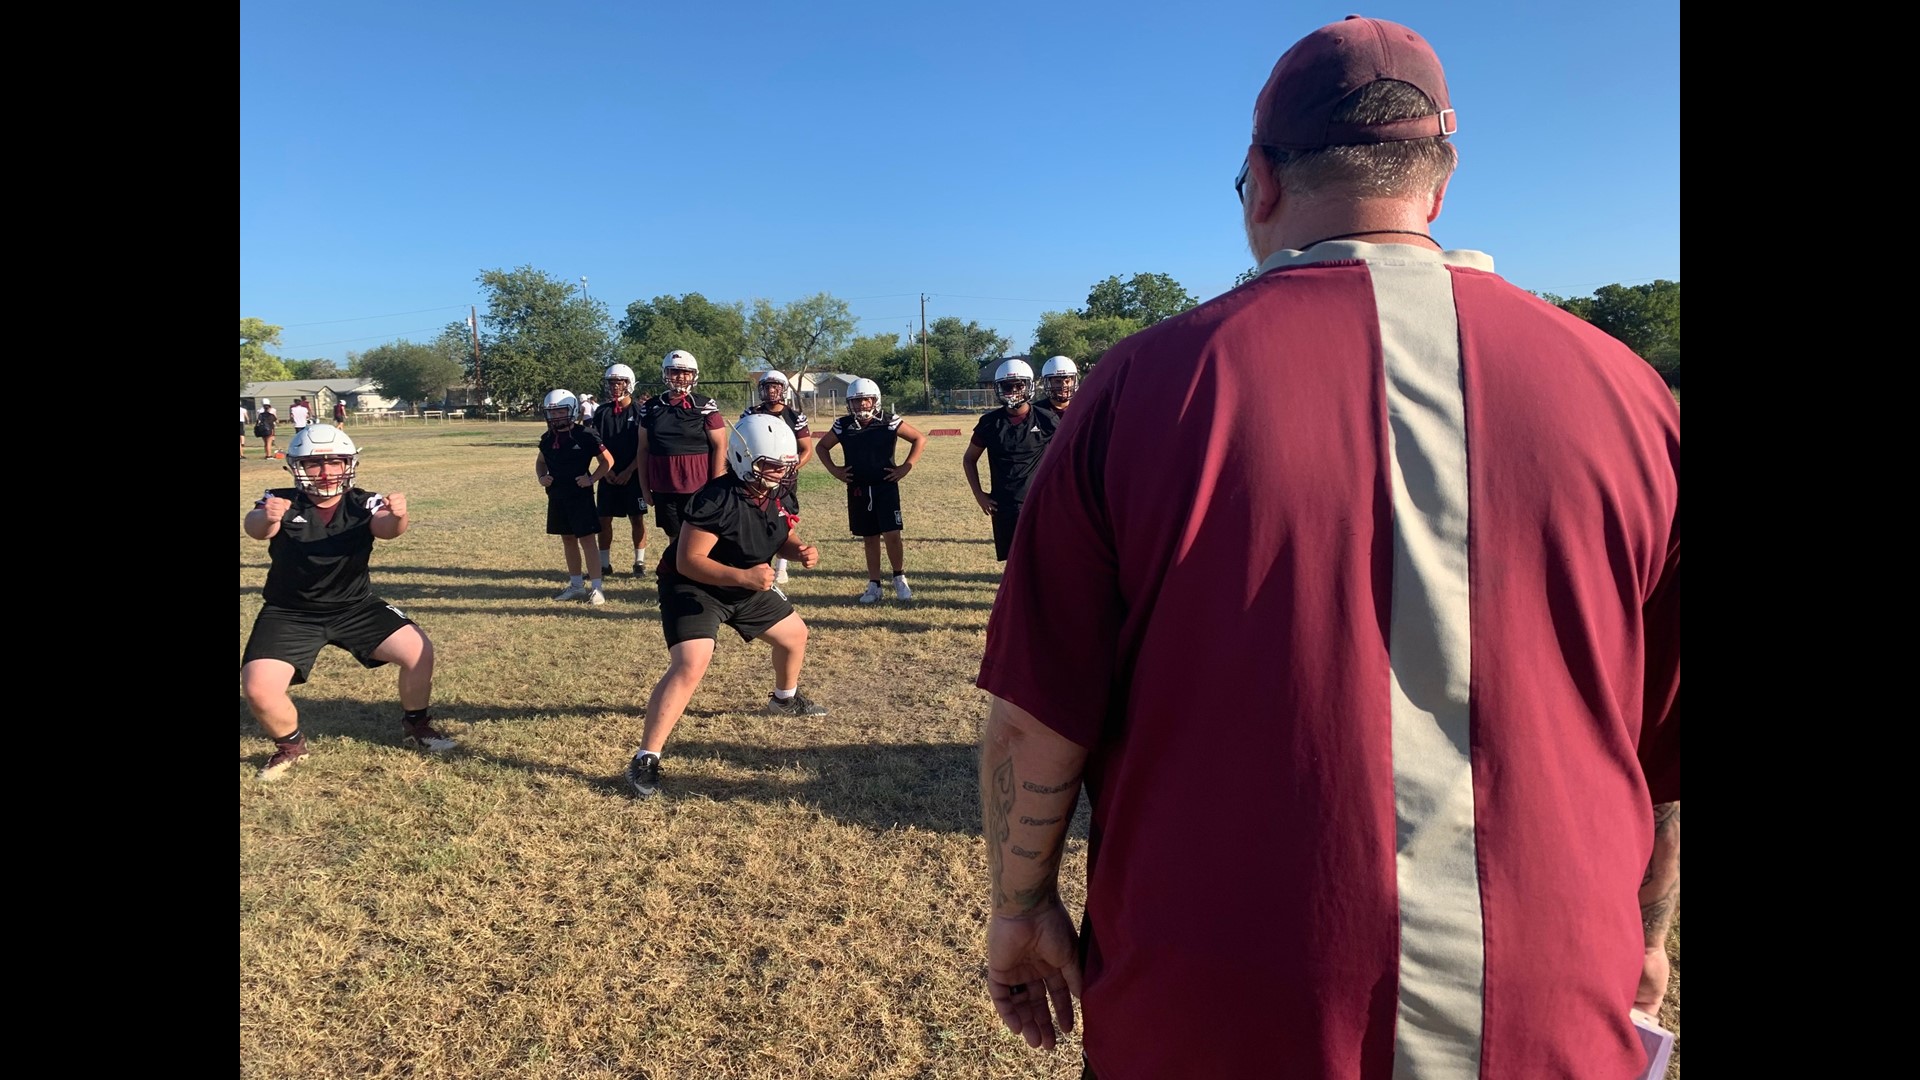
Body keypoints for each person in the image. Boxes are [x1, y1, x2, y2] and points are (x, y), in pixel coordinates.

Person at [973, 16, 1681, 1079]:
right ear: (1439, 182)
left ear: (1261, 180)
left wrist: (1021, 904)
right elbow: (1658, 739)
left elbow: (1036, 721)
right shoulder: (1631, 395)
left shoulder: (1142, 386)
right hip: (1547, 1009)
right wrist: (1650, 936)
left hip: (1214, 1010)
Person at [623, 414, 827, 799]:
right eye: (771, 466)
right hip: (694, 586)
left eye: (784, 465)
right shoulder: (715, 498)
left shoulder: (777, 492)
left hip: (744, 579)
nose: (781, 474)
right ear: (741, 459)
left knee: (795, 636)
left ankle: (784, 700)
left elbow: (778, 531)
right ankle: (645, 758)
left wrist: (795, 549)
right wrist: (746, 578)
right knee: (692, 662)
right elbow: (689, 561)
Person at [241, 423, 455, 780]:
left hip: (355, 606)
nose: (325, 472)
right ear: (296, 467)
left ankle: (417, 726)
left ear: (348, 465)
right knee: (258, 686)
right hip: (290, 612)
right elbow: (256, 526)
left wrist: (399, 514)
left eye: (335, 462)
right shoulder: (279, 498)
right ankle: (291, 747)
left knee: (419, 651)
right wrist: (267, 516)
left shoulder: (363, 501)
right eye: (314, 464)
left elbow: (386, 528)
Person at [814, 377, 926, 602]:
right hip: (858, 487)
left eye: (866, 400)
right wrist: (835, 470)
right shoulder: (843, 425)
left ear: (875, 400)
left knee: (892, 534)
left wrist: (906, 466)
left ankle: (899, 577)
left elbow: (918, 439)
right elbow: (822, 447)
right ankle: (874, 584)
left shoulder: (889, 421)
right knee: (869, 536)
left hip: (885, 485)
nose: (862, 405)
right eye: (856, 401)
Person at [962, 358, 1058, 562]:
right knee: (1014, 562)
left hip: (1038, 503)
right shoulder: (989, 423)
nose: (1013, 390)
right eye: (1008, 386)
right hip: (1004, 504)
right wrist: (979, 494)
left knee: (1042, 559)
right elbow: (969, 459)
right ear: (999, 388)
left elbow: (1067, 456)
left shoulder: (1046, 419)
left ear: (1028, 386)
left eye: (1019, 385)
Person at [637, 349, 728, 553]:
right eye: (675, 372)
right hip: (664, 484)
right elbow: (643, 449)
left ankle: (704, 575)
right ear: (665, 373)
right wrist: (645, 488)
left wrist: (716, 484)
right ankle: (678, 576)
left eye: (685, 372)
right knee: (674, 534)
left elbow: (720, 446)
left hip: (699, 484)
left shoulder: (704, 405)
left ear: (693, 375)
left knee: (703, 533)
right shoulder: (651, 407)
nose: (680, 377)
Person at [534, 389, 615, 605]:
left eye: (560, 411)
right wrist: (542, 477)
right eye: (552, 412)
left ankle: (597, 588)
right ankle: (576, 584)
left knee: (587, 540)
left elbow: (608, 461)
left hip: (580, 496)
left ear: (571, 410)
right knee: (567, 539)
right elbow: (540, 461)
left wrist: (591, 479)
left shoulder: (586, 435)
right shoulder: (548, 437)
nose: (556, 416)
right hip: (557, 496)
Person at [740, 369, 813, 584]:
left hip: (784, 477)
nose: (771, 390)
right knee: (754, 517)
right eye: (767, 386)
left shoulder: (795, 416)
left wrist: (790, 468)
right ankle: (758, 563)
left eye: (775, 386)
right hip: (755, 476)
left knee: (784, 519)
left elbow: (806, 449)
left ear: (783, 389)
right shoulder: (750, 413)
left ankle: (782, 566)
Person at [589, 363, 649, 579]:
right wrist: (606, 471)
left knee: (637, 518)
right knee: (603, 519)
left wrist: (629, 471)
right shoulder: (602, 412)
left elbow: (644, 447)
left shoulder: (640, 412)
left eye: (619, 382)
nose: (615, 386)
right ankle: (604, 565)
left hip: (633, 475)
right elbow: (594, 443)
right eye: (612, 382)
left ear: (629, 383)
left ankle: (639, 563)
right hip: (608, 475)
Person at [1035, 355, 1078, 420]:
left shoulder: (1081, 407)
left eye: (1067, 381)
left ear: (1074, 381)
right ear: (1048, 383)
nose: (1064, 386)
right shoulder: (1036, 411)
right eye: (1058, 381)